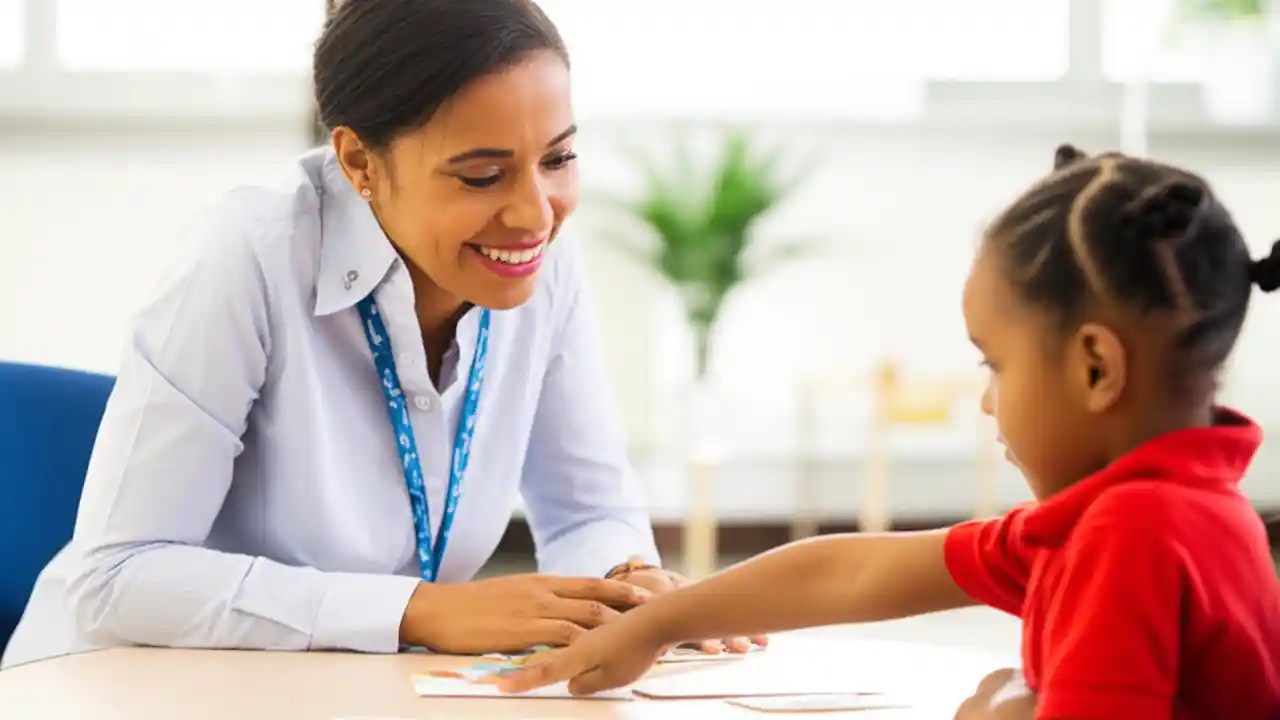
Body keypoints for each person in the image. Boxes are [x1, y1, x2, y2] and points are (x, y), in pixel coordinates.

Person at [1, 0, 763, 669]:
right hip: (121, 682)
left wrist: (624, 579)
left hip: (334, 687)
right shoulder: (249, 256)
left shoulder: (543, 272)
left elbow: (588, 510)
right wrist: (417, 610)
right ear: (358, 161)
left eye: (558, 158)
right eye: (482, 175)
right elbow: (119, 576)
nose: (536, 213)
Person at [500, 145, 1280, 719]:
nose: (987, 403)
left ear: (1095, 369)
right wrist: (663, 620)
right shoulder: (1172, 514)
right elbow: (852, 573)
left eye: (994, 365)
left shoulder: (1132, 533)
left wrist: (1002, 711)